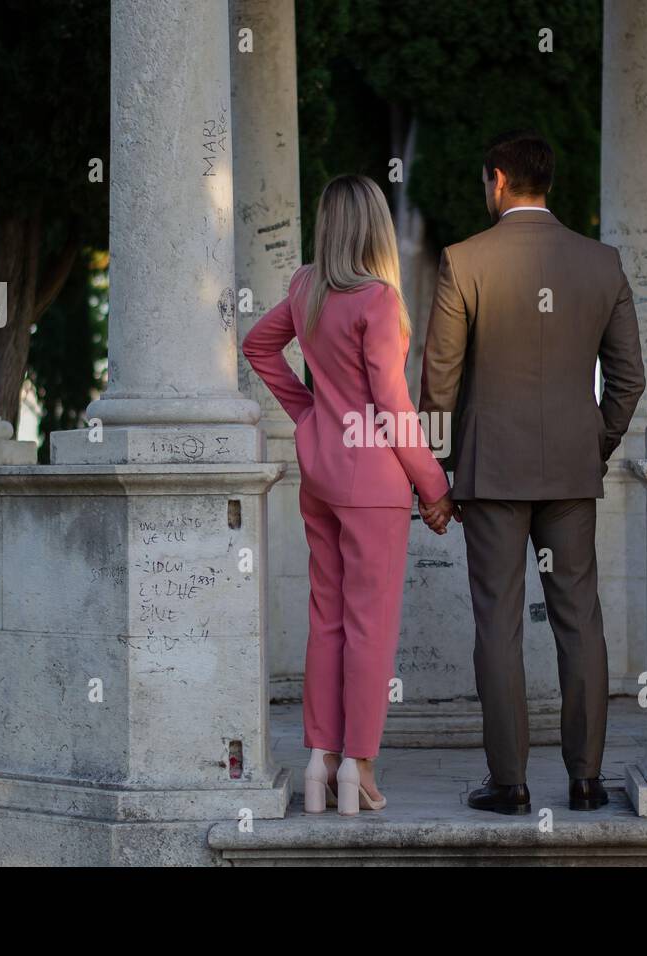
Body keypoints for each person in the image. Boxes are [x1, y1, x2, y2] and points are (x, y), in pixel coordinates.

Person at [419, 130, 646, 814]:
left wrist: (440, 468)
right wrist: (592, 445)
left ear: (497, 180)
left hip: (491, 473)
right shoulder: (602, 263)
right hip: (572, 472)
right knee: (581, 621)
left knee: (499, 624)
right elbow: (629, 381)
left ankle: (510, 784)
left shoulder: (464, 261)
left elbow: (438, 383)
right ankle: (586, 781)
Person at [242, 174, 454, 816]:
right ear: (376, 228)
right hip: (372, 483)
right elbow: (392, 405)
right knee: (369, 627)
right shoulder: (379, 300)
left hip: (321, 476)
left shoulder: (306, 287)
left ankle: (318, 762)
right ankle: (357, 767)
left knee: (326, 620)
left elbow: (257, 345)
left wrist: (308, 415)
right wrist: (435, 485)